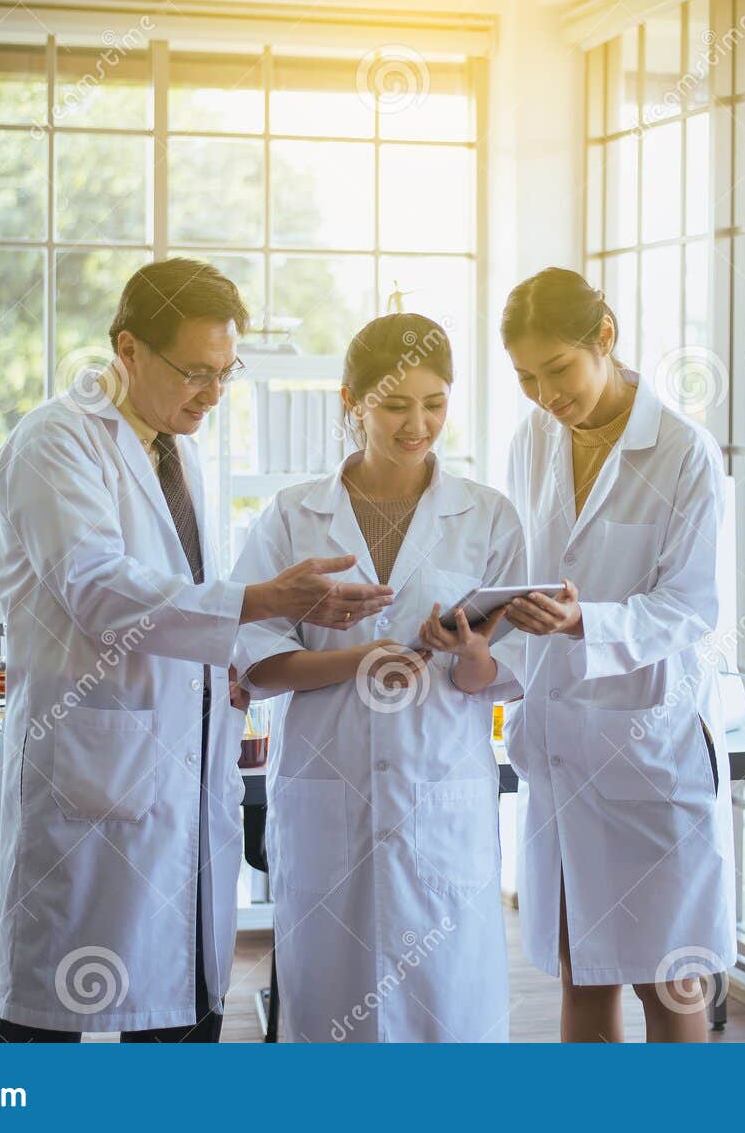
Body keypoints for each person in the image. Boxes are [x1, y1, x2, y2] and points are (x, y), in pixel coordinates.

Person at [0, 258, 392, 1042]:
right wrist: (259, 601)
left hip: (182, 757)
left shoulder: (176, 443)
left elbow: (178, 591)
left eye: (225, 372)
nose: (212, 394)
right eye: (196, 373)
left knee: (178, 1007)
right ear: (129, 349)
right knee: (50, 1021)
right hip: (95, 766)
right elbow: (98, 589)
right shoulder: (55, 442)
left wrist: (234, 657)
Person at [232, 313, 523, 1042]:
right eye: (395, 405)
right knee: (333, 1017)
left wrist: (468, 652)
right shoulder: (294, 515)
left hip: (441, 799)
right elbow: (253, 658)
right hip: (331, 800)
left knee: (449, 1017)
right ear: (350, 402)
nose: (416, 424)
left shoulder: (488, 517)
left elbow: (509, 671)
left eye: (435, 402)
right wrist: (360, 660)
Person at [494, 266, 736, 1042]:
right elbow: (520, 561)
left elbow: (692, 606)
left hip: (648, 749)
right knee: (579, 966)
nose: (544, 394)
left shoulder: (683, 453)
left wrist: (583, 624)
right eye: (527, 377)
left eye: (556, 370)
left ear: (605, 336)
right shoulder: (533, 438)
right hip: (561, 748)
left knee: (670, 975)